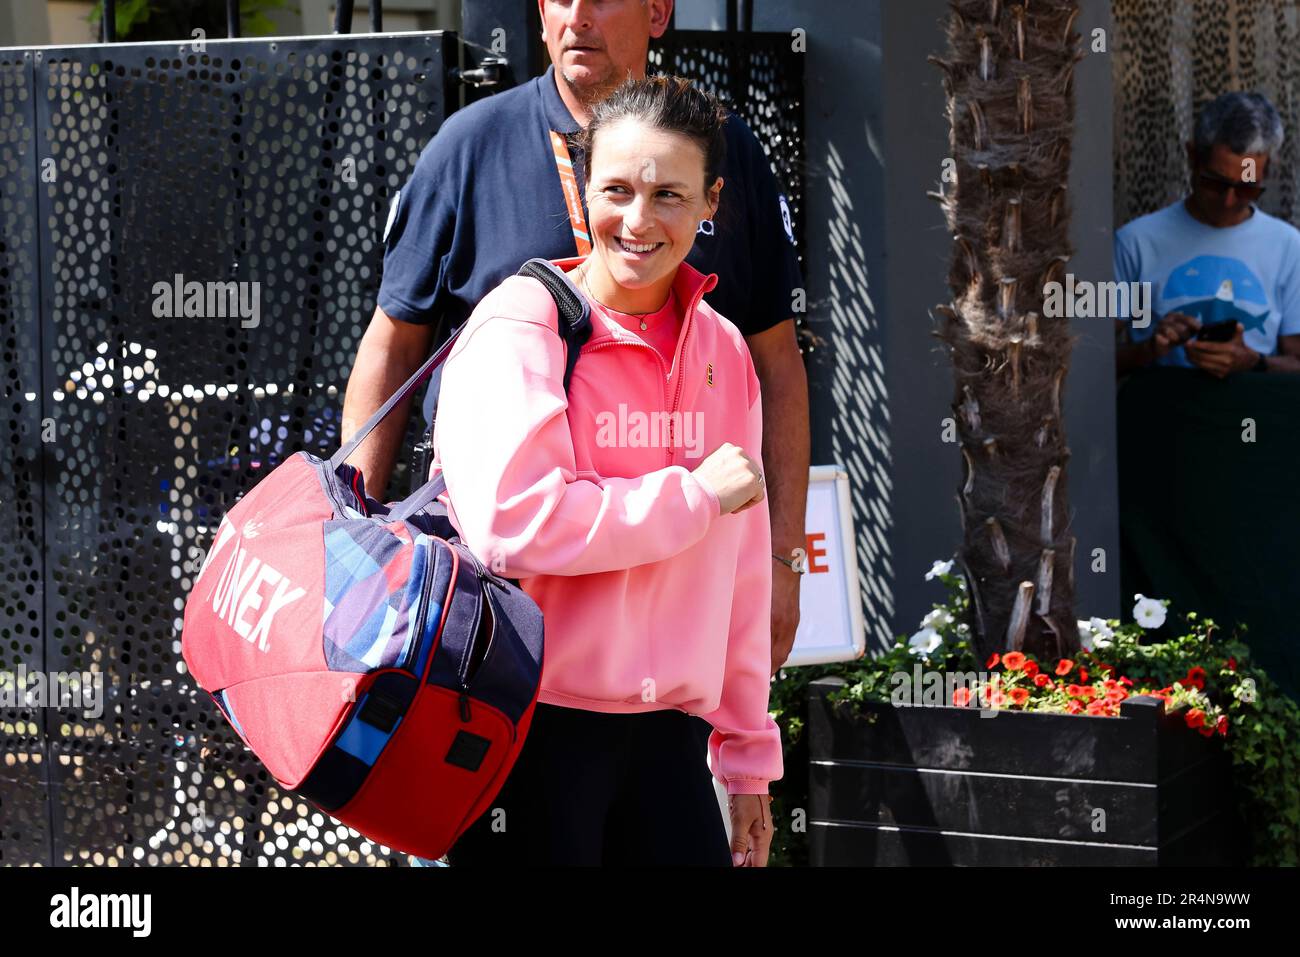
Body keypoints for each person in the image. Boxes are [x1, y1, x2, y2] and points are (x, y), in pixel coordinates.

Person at [341, 0, 809, 688]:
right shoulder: (470, 146)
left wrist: (782, 559)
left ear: (657, 12)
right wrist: (358, 540)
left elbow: (776, 361)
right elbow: (392, 347)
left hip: (675, 619)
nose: (578, 16)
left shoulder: (725, 150)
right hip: (502, 618)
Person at [428, 75, 782, 866]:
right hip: (531, 732)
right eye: (616, 188)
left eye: (668, 194)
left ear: (711, 201)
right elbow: (515, 523)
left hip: (670, 745)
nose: (638, 218)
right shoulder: (524, 324)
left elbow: (743, 571)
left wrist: (748, 754)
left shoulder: (724, 348)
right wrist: (690, 497)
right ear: (582, 188)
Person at [1115, 91, 1300, 377]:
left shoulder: (1289, 247)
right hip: (1160, 417)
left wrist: (1253, 362)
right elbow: (1087, 360)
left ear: (1268, 173)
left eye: (1246, 188)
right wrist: (1150, 350)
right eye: (1215, 183)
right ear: (1192, 157)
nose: (1228, 201)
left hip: (1255, 419)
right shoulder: (1135, 244)